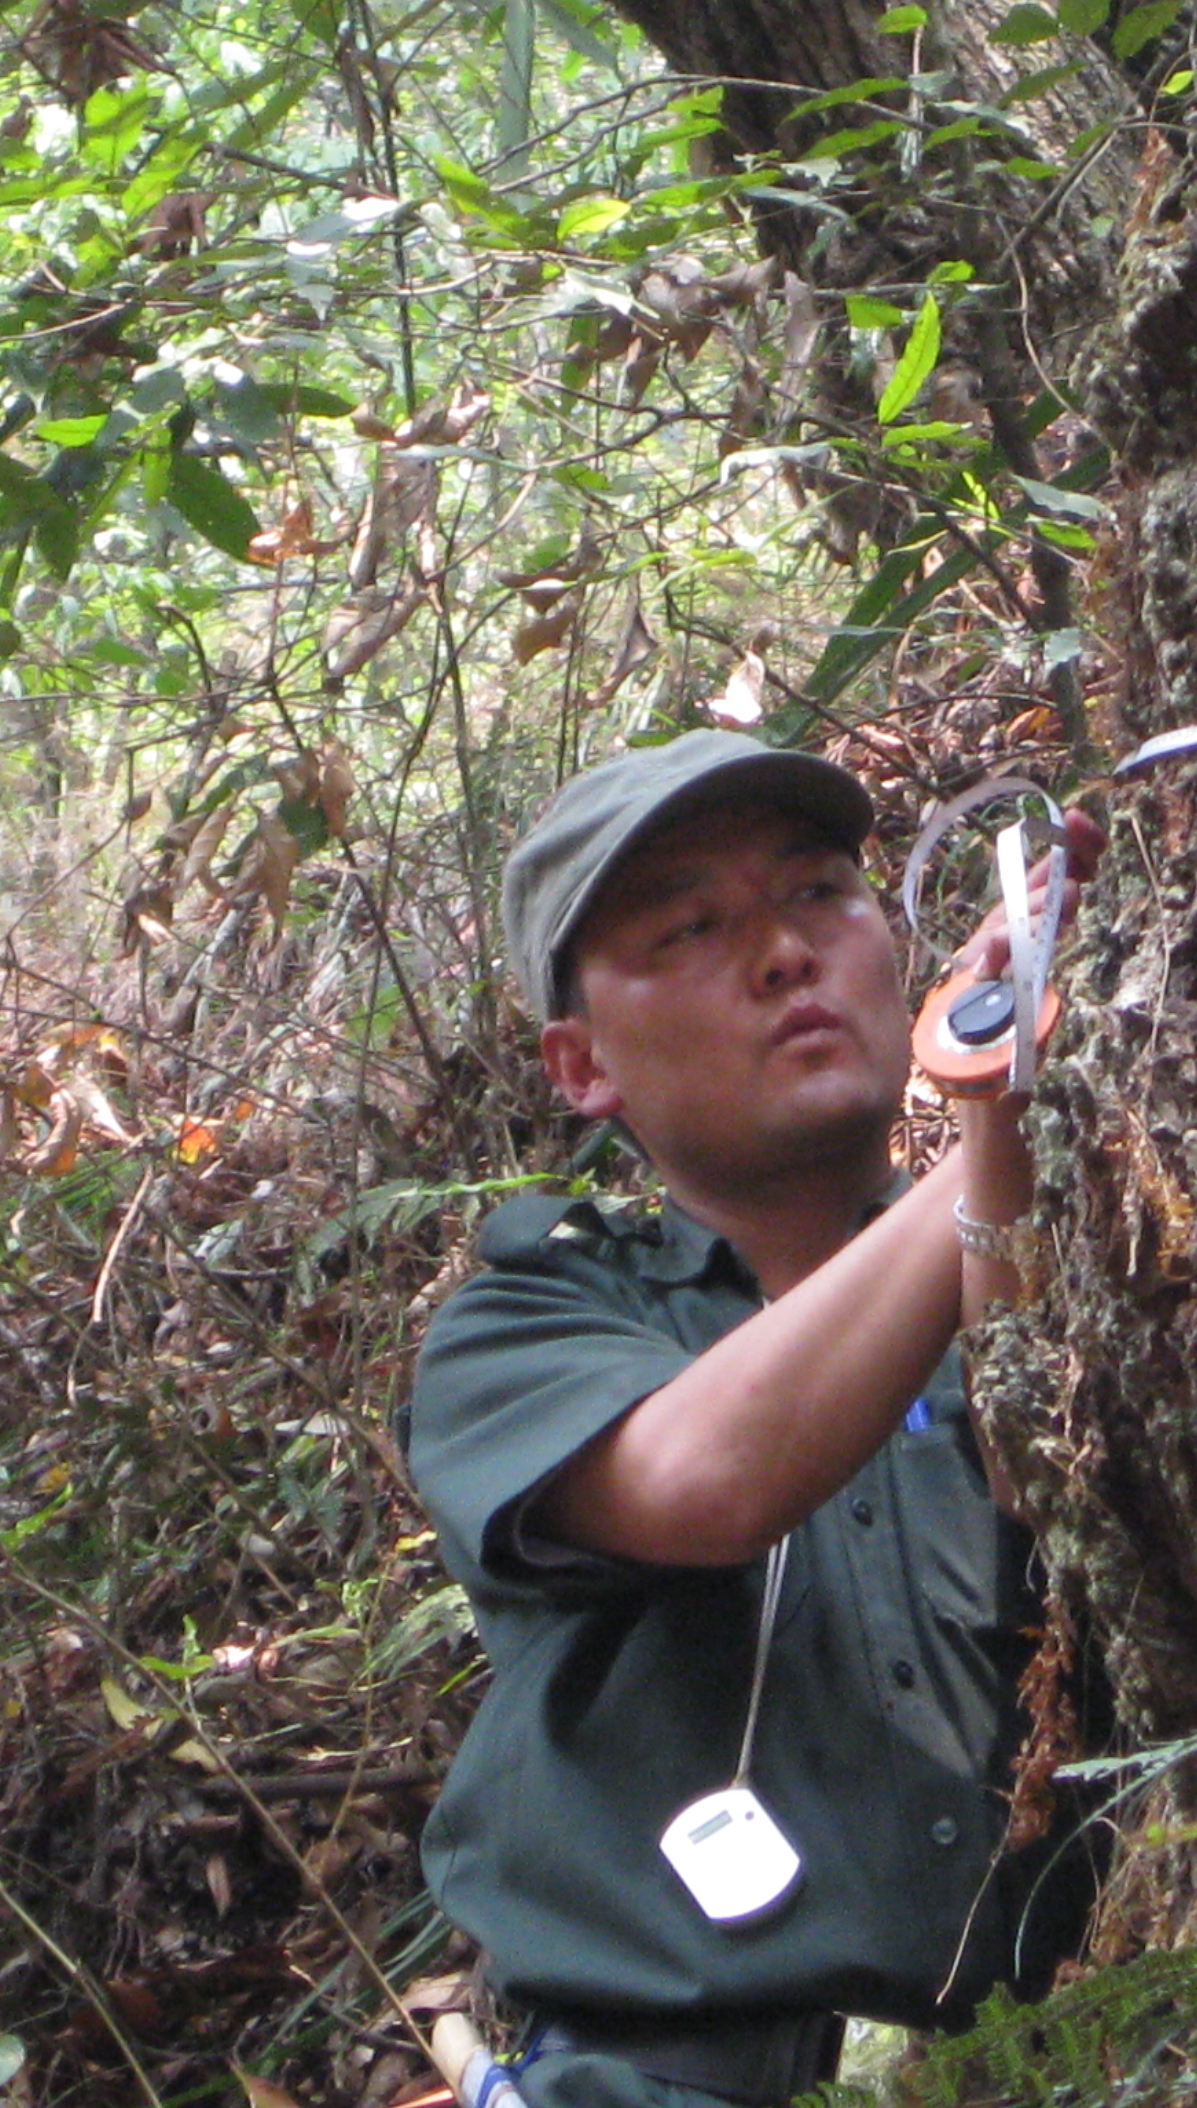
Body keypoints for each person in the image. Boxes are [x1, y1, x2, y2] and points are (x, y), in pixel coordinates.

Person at [401, 730, 1100, 2108]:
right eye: (692, 928)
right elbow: (703, 1477)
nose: (784, 953)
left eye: (820, 894)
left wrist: (1014, 1108)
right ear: (581, 1065)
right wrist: (991, 1098)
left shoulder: (1071, 1238)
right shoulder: (527, 1323)